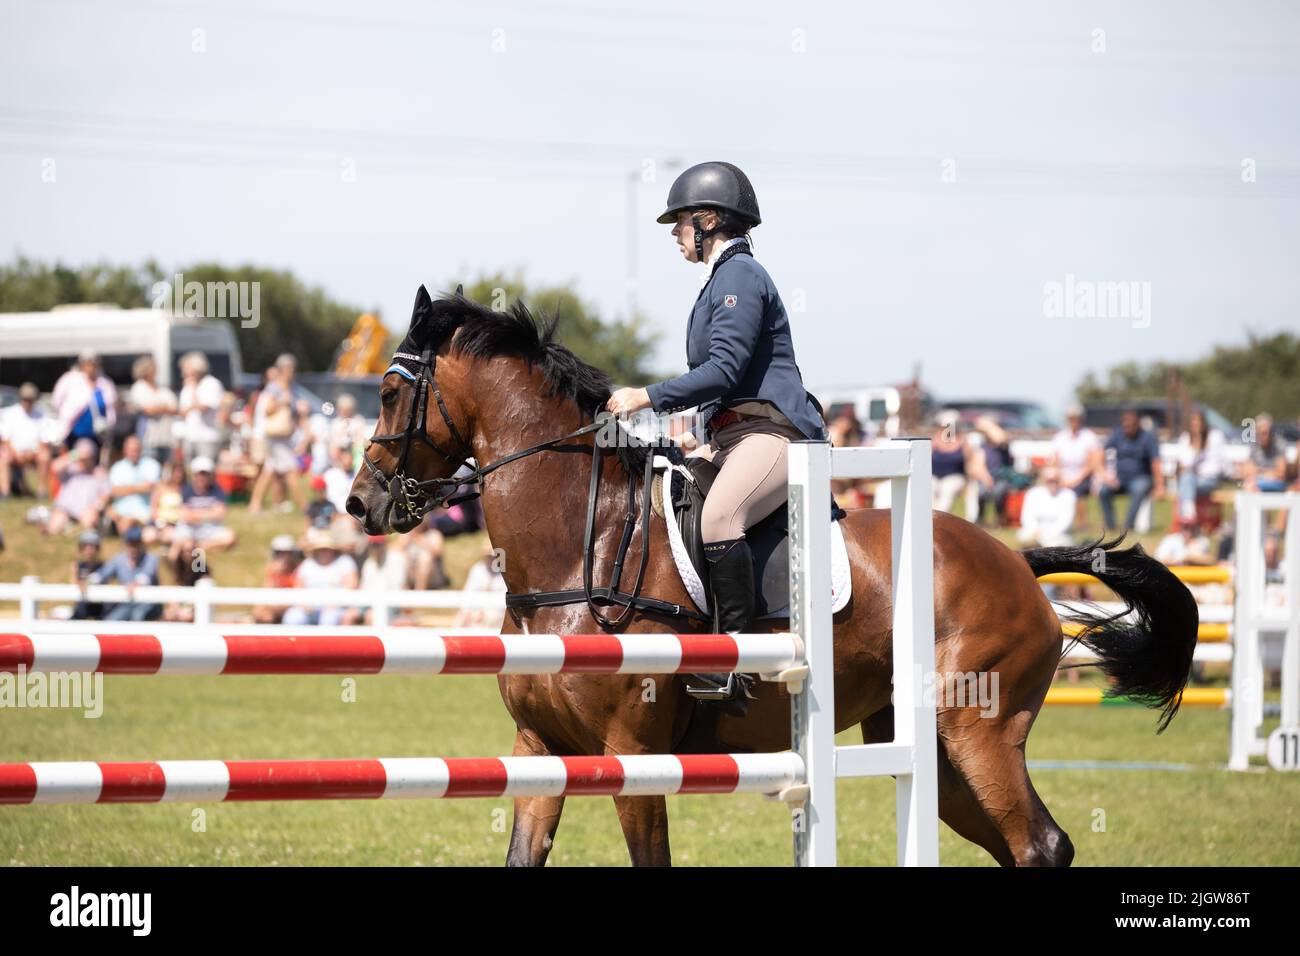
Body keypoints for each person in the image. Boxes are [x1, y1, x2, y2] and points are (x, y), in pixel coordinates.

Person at [603, 161, 828, 709]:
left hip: (778, 432)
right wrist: (698, 437)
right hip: (736, 435)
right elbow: (724, 389)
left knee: (720, 518)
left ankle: (735, 663)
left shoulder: (741, 277)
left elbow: (724, 371)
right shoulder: (718, 283)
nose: (675, 235)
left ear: (706, 221)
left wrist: (646, 396)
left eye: (678, 223)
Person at [249, 355, 304, 514]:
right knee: (291, 470)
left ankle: (255, 504)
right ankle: (303, 506)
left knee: (269, 470)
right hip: (274, 437)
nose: (292, 372)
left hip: (284, 437)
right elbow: (267, 409)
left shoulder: (291, 388)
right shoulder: (274, 388)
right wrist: (283, 402)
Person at [1098, 409, 1165, 532]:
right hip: (1120, 479)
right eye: (1125, 426)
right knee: (1103, 491)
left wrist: (1160, 485)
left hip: (1142, 477)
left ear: (1138, 424)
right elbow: (1101, 453)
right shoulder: (1117, 434)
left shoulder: (1148, 438)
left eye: (1130, 426)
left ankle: (1128, 526)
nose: (1127, 428)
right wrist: (1106, 475)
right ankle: (1111, 526)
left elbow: (1155, 462)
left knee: (1138, 489)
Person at [170, 457, 236, 577]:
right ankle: (180, 575)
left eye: (205, 474)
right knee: (185, 545)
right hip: (190, 529)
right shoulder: (187, 490)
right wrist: (209, 514)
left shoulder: (217, 490)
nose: (202, 477)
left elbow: (221, 513)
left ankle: (197, 574)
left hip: (209, 530)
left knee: (226, 538)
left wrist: (197, 515)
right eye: (200, 474)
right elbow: (186, 516)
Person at [282, 528, 359, 626]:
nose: (324, 551)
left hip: (336, 607)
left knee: (329, 619)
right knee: (293, 617)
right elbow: (298, 585)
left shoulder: (344, 562)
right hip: (309, 607)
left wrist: (336, 604)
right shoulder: (307, 564)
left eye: (327, 548)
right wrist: (304, 605)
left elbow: (351, 585)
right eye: (322, 549)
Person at [87, 525, 162, 621]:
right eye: (130, 543)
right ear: (125, 543)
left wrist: (136, 584)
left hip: (149, 602)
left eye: (136, 543)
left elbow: (147, 576)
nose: (133, 547)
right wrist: (88, 581)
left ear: (141, 544)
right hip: (128, 603)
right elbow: (103, 574)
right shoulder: (119, 559)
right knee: (111, 621)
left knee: (137, 615)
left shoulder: (151, 558)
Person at [51, 350, 117, 454]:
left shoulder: (105, 383)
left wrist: (109, 426)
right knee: (80, 456)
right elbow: (57, 401)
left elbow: (111, 407)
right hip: (74, 434)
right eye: (88, 363)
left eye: (94, 363)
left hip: (99, 435)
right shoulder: (70, 380)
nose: (91, 367)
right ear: (82, 364)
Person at [1050, 404, 1101, 527]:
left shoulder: (1089, 437)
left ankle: (1082, 523)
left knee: (1077, 490)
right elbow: (1056, 461)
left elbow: (1091, 463)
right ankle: (1055, 521)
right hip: (1063, 476)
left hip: (1083, 476)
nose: (1073, 421)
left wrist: (1076, 479)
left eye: (1076, 418)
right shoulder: (1059, 437)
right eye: (1071, 418)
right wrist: (1061, 478)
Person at [1173, 408, 1227, 524]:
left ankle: (1186, 520)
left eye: (1198, 421)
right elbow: (1183, 465)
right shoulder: (1186, 438)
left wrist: (1193, 468)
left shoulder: (1215, 436)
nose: (1195, 424)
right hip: (1190, 480)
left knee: (1186, 481)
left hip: (1210, 480)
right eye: (1193, 421)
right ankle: (1189, 516)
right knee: (1187, 478)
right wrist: (1196, 447)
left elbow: (1217, 467)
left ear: (1204, 423)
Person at [45, 439, 109, 535]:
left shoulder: (99, 472)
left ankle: (75, 532)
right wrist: (75, 454)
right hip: (65, 508)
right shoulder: (70, 469)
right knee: (54, 527)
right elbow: (54, 467)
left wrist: (97, 506)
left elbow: (107, 493)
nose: (85, 460)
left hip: (87, 509)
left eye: (88, 457)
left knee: (89, 526)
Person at [0, 382, 53, 497]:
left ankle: (41, 491)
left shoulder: (41, 415)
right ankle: (5, 492)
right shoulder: (10, 413)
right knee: (3, 455)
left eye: (30, 399)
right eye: (25, 399)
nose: (27, 402)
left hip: (33, 453)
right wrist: (16, 454)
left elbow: (44, 441)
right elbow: (5, 439)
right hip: (14, 452)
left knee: (45, 456)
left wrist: (32, 453)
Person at [176, 351, 225, 464]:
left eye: (186, 368)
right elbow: (183, 411)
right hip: (190, 436)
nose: (183, 372)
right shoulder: (187, 386)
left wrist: (193, 390)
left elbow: (204, 407)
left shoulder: (211, 384)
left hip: (207, 437)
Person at [106, 435, 162, 535]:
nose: (134, 453)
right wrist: (140, 488)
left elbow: (155, 488)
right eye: (131, 450)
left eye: (136, 450)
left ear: (141, 450)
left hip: (144, 510)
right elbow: (114, 491)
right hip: (121, 509)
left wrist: (126, 489)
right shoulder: (117, 467)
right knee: (111, 513)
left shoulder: (152, 465)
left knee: (127, 523)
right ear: (125, 451)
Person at [128, 356, 178, 464]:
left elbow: (174, 408)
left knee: (167, 467)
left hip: (166, 437)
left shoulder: (162, 388)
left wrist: (160, 408)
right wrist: (164, 407)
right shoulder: (139, 388)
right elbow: (149, 410)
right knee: (150, 466)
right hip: (149, 438)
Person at [452, 540, 507, 631]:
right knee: (460, 620)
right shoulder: (478, 569)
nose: (491, 559)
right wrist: (467, 611)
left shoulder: (504, 574)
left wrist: (485, 612)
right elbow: (468, 592)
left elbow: (503, 599)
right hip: (475, 608)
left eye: (494, 556)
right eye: (488, 556)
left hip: (495, 612)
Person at [1017, 465, 1077, 547]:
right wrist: (1035, 530)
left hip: (1058, 534)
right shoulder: (1032, 493)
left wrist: (1047, 533)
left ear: (1060, 480)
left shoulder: (1069, 495)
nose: (1053, 483)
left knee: (1059, 542)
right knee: (1023, 536)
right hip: (1035, 532)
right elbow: (1027, 516)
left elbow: (1066, 521)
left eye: (1055, 480)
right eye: (1049, 480)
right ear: (1043, 480)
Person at [358, 534, 409, 624]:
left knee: (371, 616)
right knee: (350, 615)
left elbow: (398, 587)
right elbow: (364, 588)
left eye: (378, 544)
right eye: (374, 545)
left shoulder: (396, 558)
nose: (376, 547)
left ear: (385, 544)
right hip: (370, 602)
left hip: (391, 603)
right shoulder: (369, 563)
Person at [253, 535, 301, 624]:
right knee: (261, 614)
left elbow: (297, 594)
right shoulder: (272, 569)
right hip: (276, 605)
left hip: (291, 607)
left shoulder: (298, 570)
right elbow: (267, 590)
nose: (284, 556)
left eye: (287, 553)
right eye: (279, 553)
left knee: (269, 615)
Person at [1242, 413, 1289, 492]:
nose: (1263, 436)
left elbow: (1281, 474)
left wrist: (1259, 472)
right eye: (1260, 433)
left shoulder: (1280, 445)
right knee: (1249, 486)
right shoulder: (1254, 444)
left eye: (1265, 433)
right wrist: (1270, 473)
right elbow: (1248, 472)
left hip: (1276, 484)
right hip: (1258, 483)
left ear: (1271, 432)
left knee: (1252, 486)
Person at [69, 530, 106, 620]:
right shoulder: (77, 565)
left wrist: (87, 584)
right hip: (82, 604)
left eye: (92, 546)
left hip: (98, 604)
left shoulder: (103, 566)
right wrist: (78, 583)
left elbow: (105, 584)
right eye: (85, 546)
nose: (89, 550)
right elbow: (72, 584)